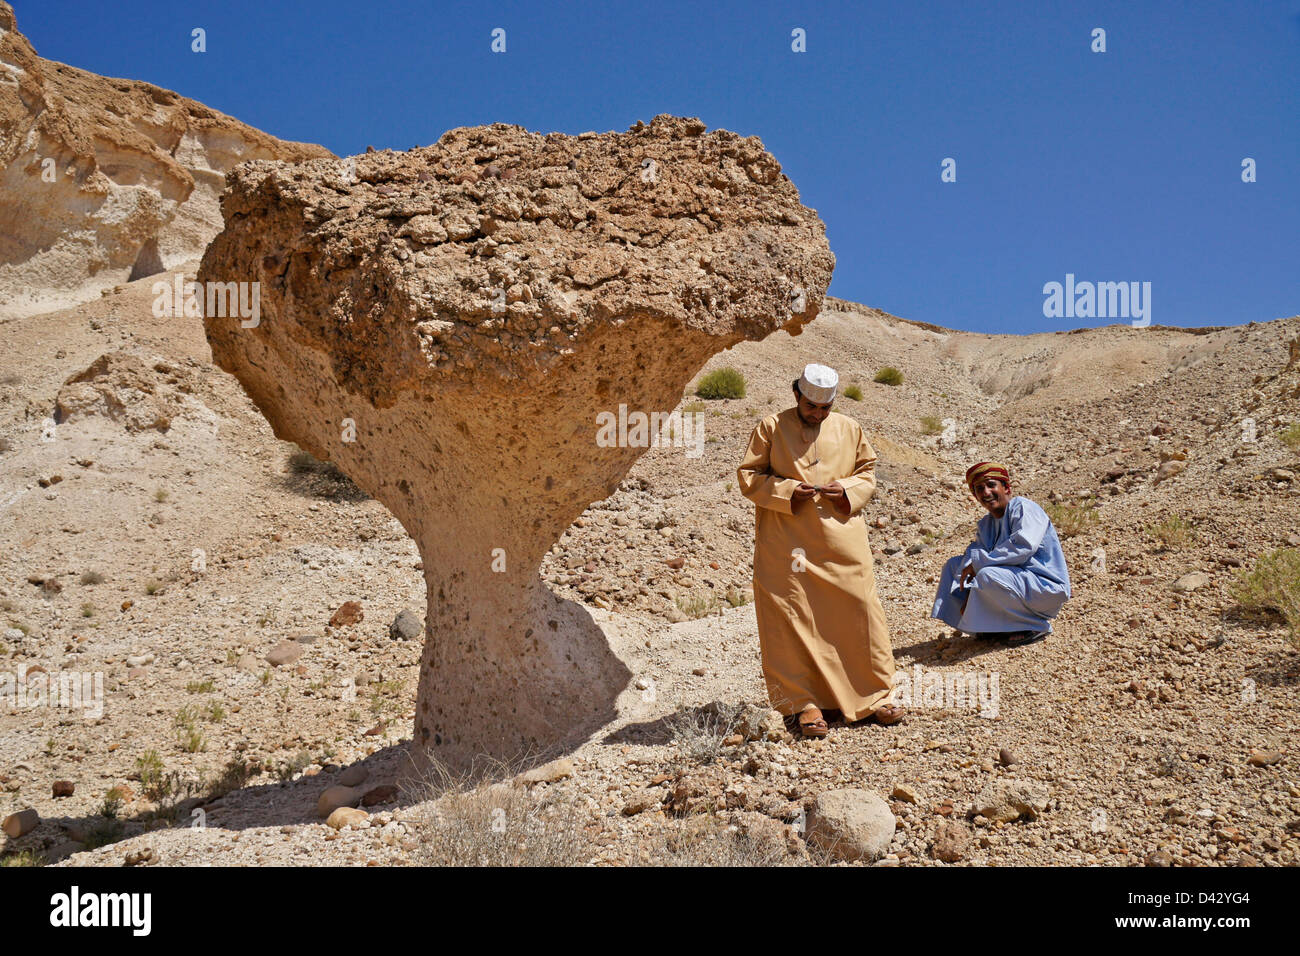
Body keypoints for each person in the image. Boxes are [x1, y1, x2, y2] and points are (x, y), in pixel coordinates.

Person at [737, 363, 903, 739]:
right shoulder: (770, 427)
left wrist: (846, 490)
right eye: (811, 406)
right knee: (791, 618)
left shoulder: (849, 428)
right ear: (797, 395)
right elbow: (749, 476)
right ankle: (802, 704)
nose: (817, 414)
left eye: (824, 408)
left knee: (859, 609)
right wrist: (786, 491)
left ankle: (875, 695)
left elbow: (867, 472)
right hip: (786, 540)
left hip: (841, 539)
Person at [931, 462, 1071, 646]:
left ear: (1006, 488)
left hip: (1044, 588)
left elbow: (1022, 546)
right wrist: (968, 593)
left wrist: (978, 565)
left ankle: (1034, 626)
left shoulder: (1023, 508)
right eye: (979, 489)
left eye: (991, 485)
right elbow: (974, 554)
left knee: (987, 574)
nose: (986, 493)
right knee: (954, 565)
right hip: (1016, 584)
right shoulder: (986, 525)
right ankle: (990, 626)